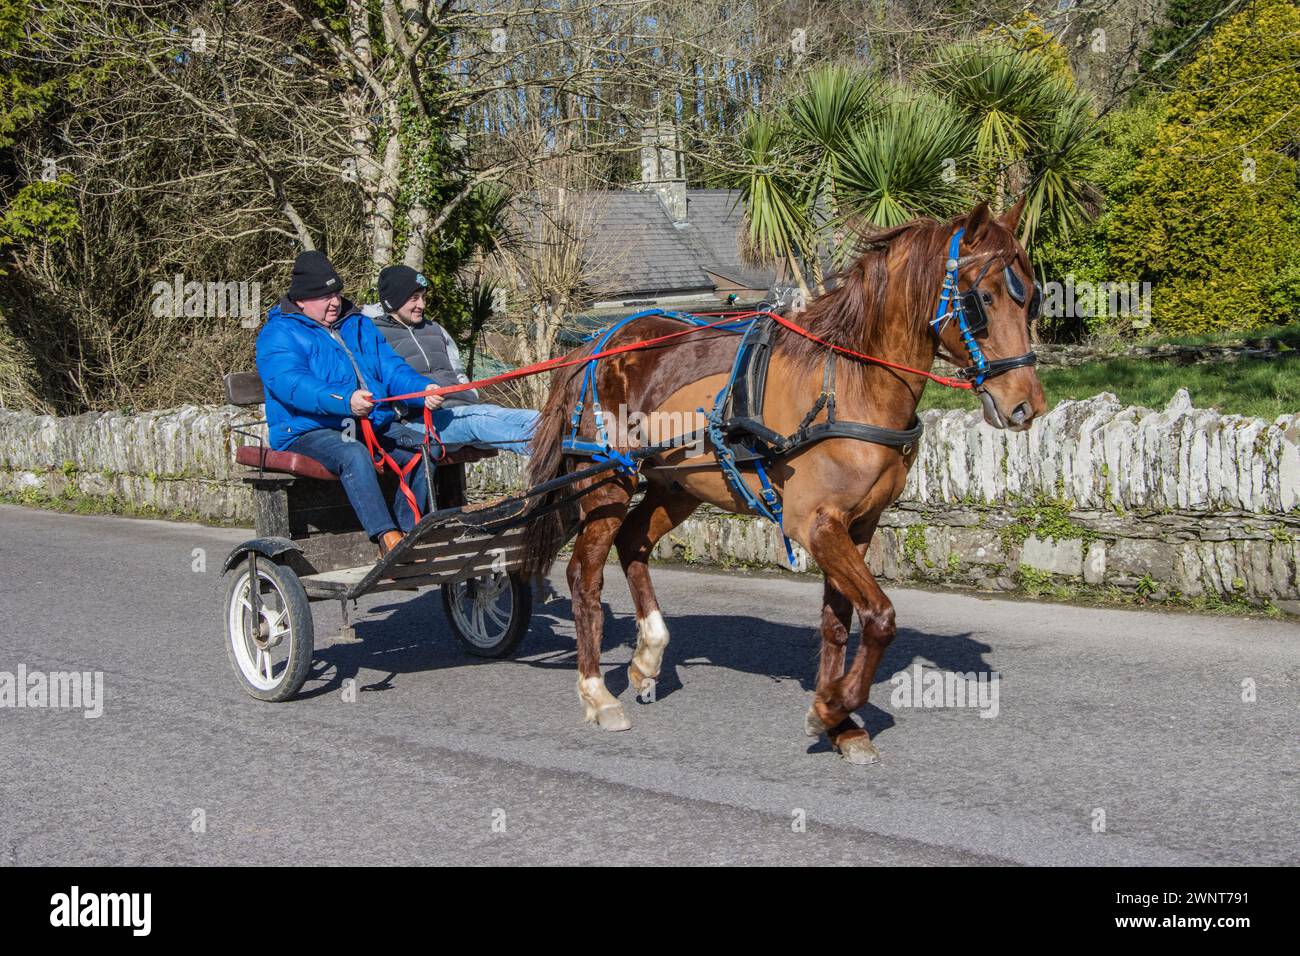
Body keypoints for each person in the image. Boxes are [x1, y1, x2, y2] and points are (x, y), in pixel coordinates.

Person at [255, 251, 443, 557]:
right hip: (306, 430)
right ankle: (387, 538)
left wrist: (423, 389)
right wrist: (345, 402)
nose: (334, 302)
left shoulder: (358, 324)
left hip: (368, 421)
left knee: (428, 445)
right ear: (301, 300)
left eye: (336, 293)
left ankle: (410, 532)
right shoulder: (278, 335)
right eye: (323, 296)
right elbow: (293, 385)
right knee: (352, 452)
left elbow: (391, 368)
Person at [367, 264, 539, 454]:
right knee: (478, 421)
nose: (422, 305)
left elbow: (458, 371)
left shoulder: (435, 329)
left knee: (534, 418)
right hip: (418, 421)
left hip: (462, 409)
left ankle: (567, 451)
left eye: (423, 297)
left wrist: (469, 396)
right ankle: (543, 454)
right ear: (394, 301)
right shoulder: (375, 335)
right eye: (414, 299)